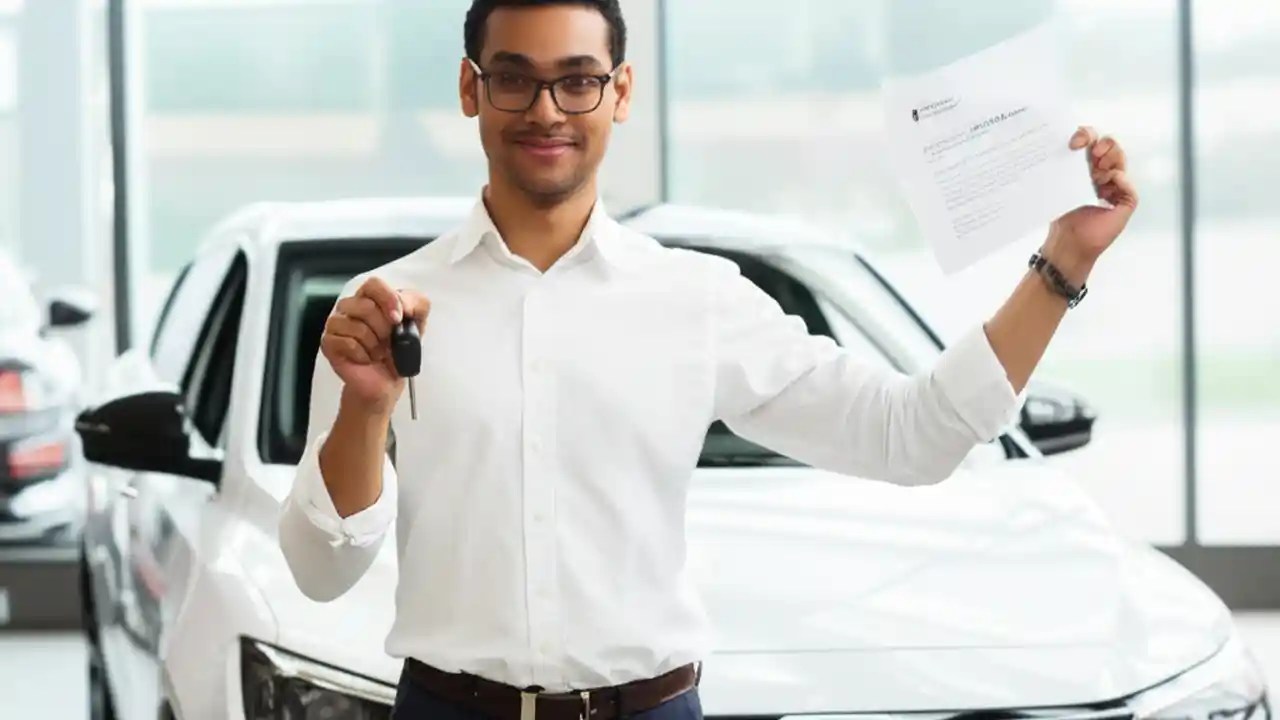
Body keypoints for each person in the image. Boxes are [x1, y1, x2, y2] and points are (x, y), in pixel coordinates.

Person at [277, 1, 1139, 718]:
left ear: (620, 94)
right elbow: (322, 570)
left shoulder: (696, 299)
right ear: (472, 88)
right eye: (514, 78)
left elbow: (910, 436)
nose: (546, 110)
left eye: (577, 80)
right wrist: (366, 409)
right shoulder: (383, 308)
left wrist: (1066, 263)